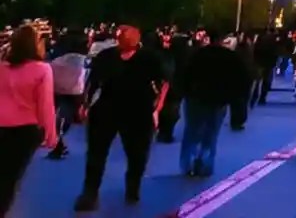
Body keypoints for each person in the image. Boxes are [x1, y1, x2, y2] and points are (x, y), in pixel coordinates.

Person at [74, 25, 169, 212]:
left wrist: (158, 105)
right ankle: (90, 192)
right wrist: (85, 105)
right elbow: (92, 82)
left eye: (125, 37)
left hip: (138, 111)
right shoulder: (106, 56)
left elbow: (164, 81)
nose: (122, 41)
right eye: (120, 37)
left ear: (135, 40)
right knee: (96, 153)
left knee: (137, 154)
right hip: (107, 108)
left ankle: (132, 187)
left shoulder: (149, 58)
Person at [0, 25, 57, 215]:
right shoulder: (42, 70)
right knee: (10, 178)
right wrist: (51, 134)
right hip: (25, 130)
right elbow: (45, 105)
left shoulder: (1, 68)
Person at [180, 30, 247, 177]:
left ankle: (188, 164)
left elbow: (185, 74)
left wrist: (186, 91)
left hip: (196, 98)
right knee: (211, 134)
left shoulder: (198, 55)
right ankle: (204, 164)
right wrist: (231, 98)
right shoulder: (231, 58)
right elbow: (241, 80)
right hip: (218, 101)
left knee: (192, 131)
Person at [48, 32, 88, 160]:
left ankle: (57, 141)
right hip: (74, 91)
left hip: (57, 88)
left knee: (57, 115)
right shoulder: (84, 60)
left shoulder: (56, 58)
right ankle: (59, 140)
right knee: (66, 116)